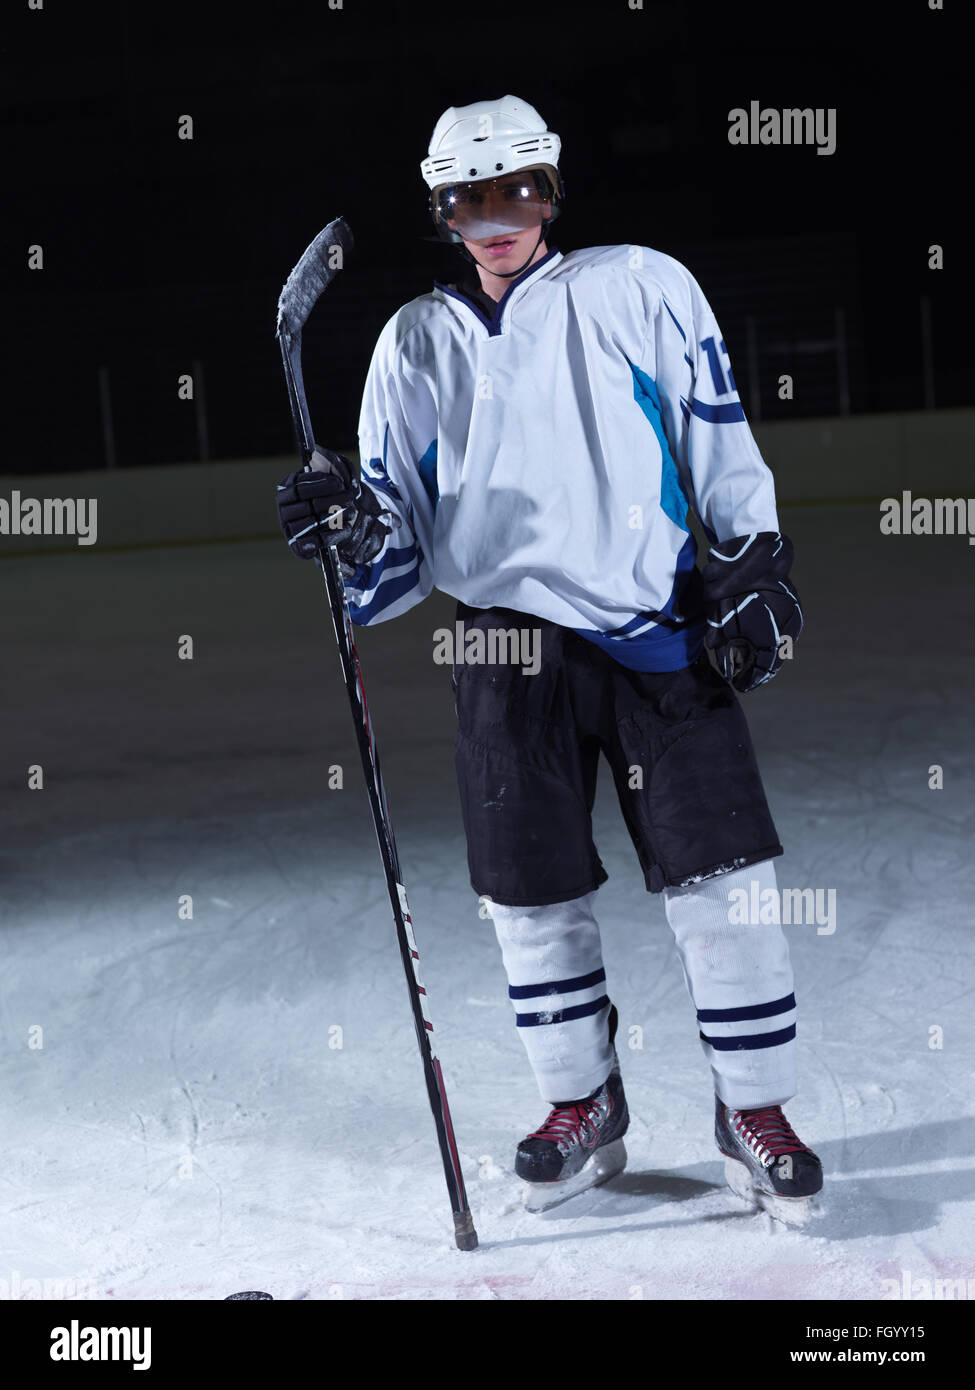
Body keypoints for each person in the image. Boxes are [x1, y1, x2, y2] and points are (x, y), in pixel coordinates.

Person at [276, 95, 823, 1223]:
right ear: (443, 211)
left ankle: (753, 1110)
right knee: (529, 896)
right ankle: (583, 1106)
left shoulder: (641, 287)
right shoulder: (413, 344)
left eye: (518, 190)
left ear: (552, 190)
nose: (497, 219)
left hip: (657, 633)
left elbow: (720, 438)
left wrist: (756, 562)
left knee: (728, 882)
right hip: (501, 645)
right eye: (470, 199)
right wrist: (349, 529)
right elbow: (395, 547)